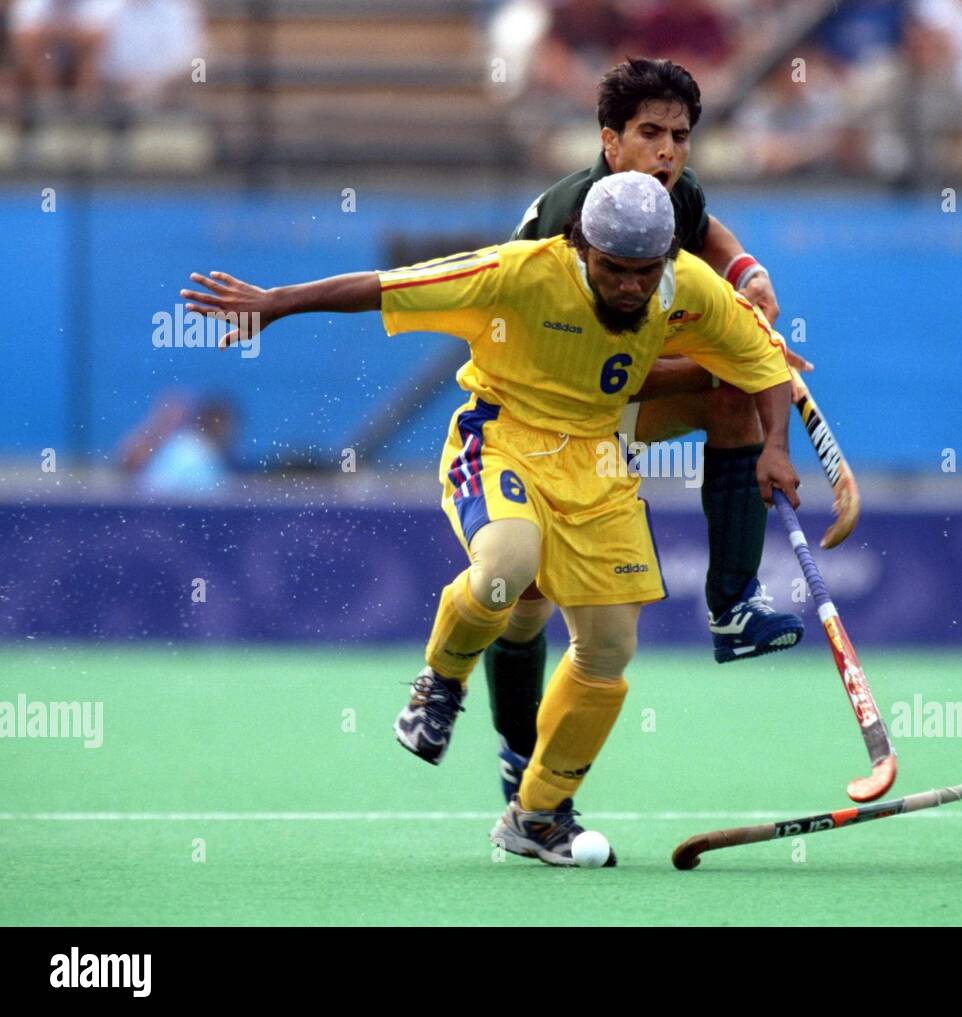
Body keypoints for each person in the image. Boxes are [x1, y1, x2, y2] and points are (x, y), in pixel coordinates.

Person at [181, 172, 798, 866]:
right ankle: (439, 683)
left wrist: (772, 446)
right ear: (579, 246)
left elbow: (761, 359)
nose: (631, 287)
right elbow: (389, 285)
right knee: (507, 566)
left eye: (644, 273)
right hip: (502, 437)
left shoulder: (686, 286)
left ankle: (537, 815)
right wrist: (277, 303)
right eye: (614, 270)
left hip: (597, 460)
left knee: (609, 650)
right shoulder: (516, 274)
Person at [490, 57, 810, 803]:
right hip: (537, 412)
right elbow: (602, 371)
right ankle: (517, 752)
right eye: (649, 134)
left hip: (605, 406)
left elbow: (706, 223)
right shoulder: (582, 222)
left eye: (680, 136)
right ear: (611, 141)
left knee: (734, 395)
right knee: (524, 598)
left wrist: (746, 274)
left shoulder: (670, 195)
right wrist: (725, 355)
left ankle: (733, 607)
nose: (668, 151)